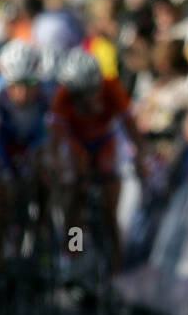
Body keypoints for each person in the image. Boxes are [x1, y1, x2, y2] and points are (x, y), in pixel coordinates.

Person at [48, 47, 142, 278]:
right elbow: (55, 139)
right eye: (80, 94)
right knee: (74, 199)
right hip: (76, 142)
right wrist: (58, 166)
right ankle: (73, 252)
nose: (88, 98)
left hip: (104, 141)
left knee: (109, 207)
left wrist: (141, 156)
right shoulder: (62, 96)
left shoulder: (111, 88)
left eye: (91, 91)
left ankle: (115, 270)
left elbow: (131, 127)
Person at [0, 40, 53, 315]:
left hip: (33, 145)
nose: (22, 92)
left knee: (47, 182)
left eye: (29, 84)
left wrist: (48, 165)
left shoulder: (47, 93)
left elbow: (52, 138)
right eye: (15, 85)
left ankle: (44, 236)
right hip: (3, 147)